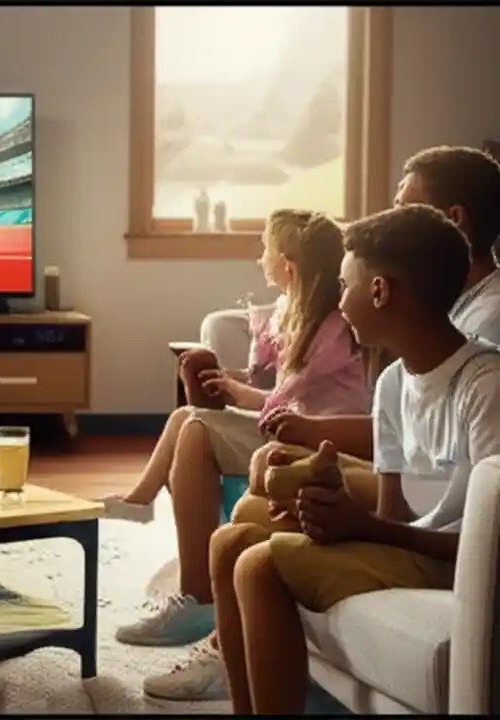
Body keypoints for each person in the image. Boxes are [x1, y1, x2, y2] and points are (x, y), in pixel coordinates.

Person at [141, 144, 500, 702]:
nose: (339, 300)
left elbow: (479, 542)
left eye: (346, 285)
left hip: (458, 560)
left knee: (258, 564)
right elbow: (391, 511)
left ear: (380, 291)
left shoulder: (484, 385)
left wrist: (359, 527)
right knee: (231, 539)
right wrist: (338, 504)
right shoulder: (392, 383)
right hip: (414, 539)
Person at [105, 210, 370, 652]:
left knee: (193, 425)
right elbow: (267, 381)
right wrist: (232, 379)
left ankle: (194, 593)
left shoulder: (331, 329)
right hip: (287, 425)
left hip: (316, 437)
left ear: (287, 264)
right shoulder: (290, 311)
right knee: (185, 420)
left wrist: (231, 390)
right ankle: (142, 503)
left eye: (264, 249)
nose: (258, 259)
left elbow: (279, 400)